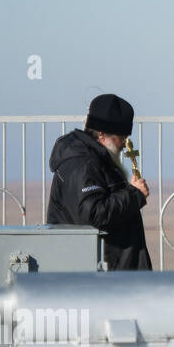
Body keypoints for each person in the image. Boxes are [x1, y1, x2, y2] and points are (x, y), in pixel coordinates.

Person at [47, 93, 152, 270]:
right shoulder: (83, 164)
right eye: (121, 138)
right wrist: (134, 194)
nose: (124, 145)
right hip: (99, 273)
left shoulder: (95, 160)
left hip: (110, 270)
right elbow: (94, 215)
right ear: (102, 135)